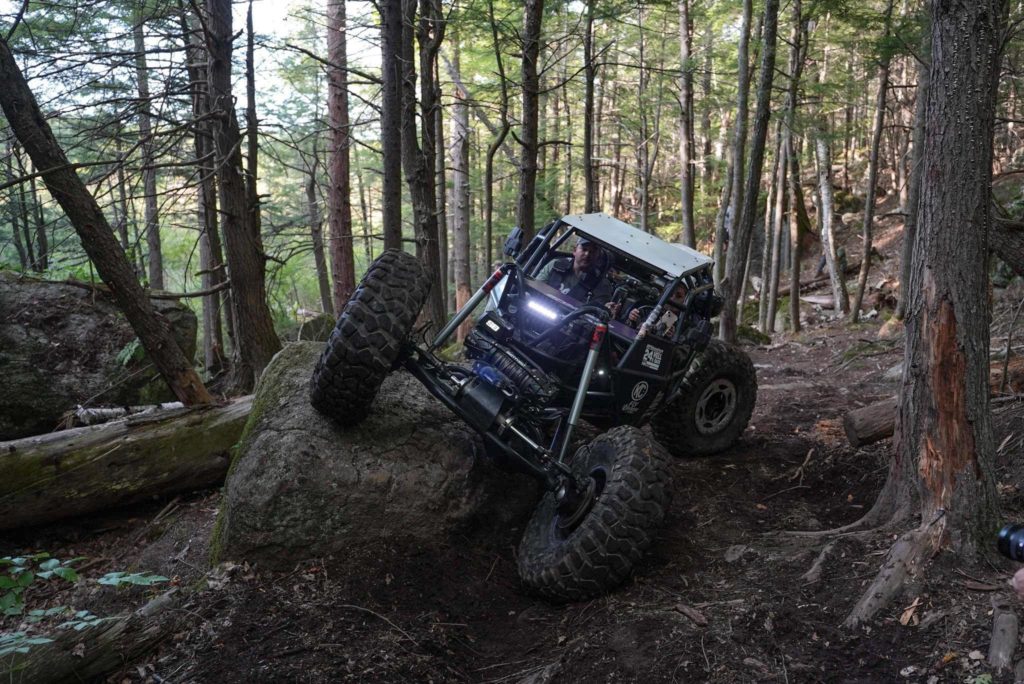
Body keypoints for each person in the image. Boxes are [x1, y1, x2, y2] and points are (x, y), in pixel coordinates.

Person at [536, 237, 614, 306]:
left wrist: (606, 308)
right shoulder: (555, 265)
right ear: (574, 250)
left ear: (598, 256)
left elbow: (596, 313)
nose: (587, 254)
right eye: (584, 249)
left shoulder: (601, 285)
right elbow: (535, 287)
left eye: (592, 252)